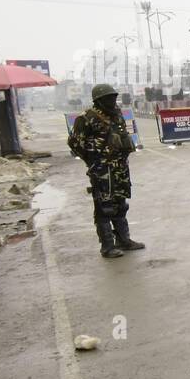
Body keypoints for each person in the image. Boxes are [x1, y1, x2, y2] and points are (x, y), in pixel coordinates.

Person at [68, 84, 143, 258]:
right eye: (108, 98)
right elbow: (74, 143)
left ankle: (124, 240)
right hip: (102, 170)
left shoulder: (116, 115)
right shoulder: (86, 118)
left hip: (120, 168)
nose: (112, 101)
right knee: (104, 208)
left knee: (120, 205)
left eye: (113, 97)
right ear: (99, 101)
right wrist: (92, 160)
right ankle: (107, 246)